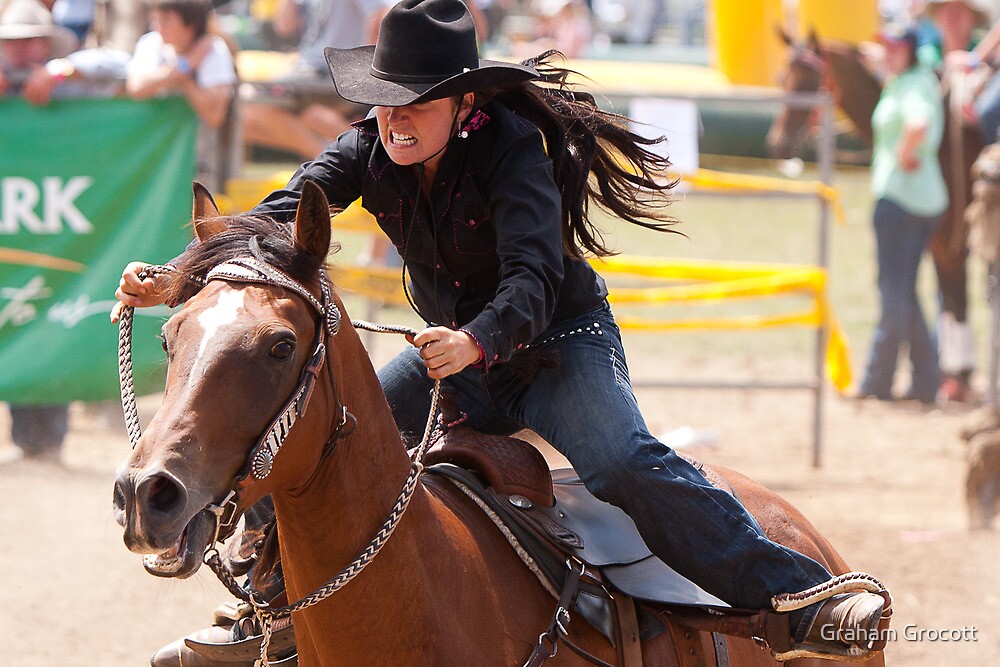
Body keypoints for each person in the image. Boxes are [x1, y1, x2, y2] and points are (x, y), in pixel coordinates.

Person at [113, 0, 889, 662]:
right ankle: (267, 613)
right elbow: (281, 206)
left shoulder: (514, 150)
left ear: (464, 105)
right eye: (385, 99)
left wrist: (475, 343)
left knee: (623, 461)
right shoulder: (369, 146)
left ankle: (796, 595)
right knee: (321, 433)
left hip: (556, 345)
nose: (394, 117)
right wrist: (179, 274)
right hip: (457, 353)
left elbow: (533, 282)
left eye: (415, 101)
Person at [858, 24, 949, 405]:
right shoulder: (909, 80)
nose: (889, 53)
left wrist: (905, 152)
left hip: (900, 200)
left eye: (897, 47)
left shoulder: (912, 85)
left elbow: (918, 124)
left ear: (912, 50)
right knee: (906, 294)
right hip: (918, 199)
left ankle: (877, 380)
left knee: (893, 294)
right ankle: (928, 380)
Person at [126, 0, 237, 192]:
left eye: (166, 20)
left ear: (190, 23)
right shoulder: (150, 43)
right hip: (151, 155)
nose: (158, 27)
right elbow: (136, 88)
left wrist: (181, 79)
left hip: (199, 165)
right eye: (155, 19)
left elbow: (214, 115)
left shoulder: (214, 49)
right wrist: (185, 66)